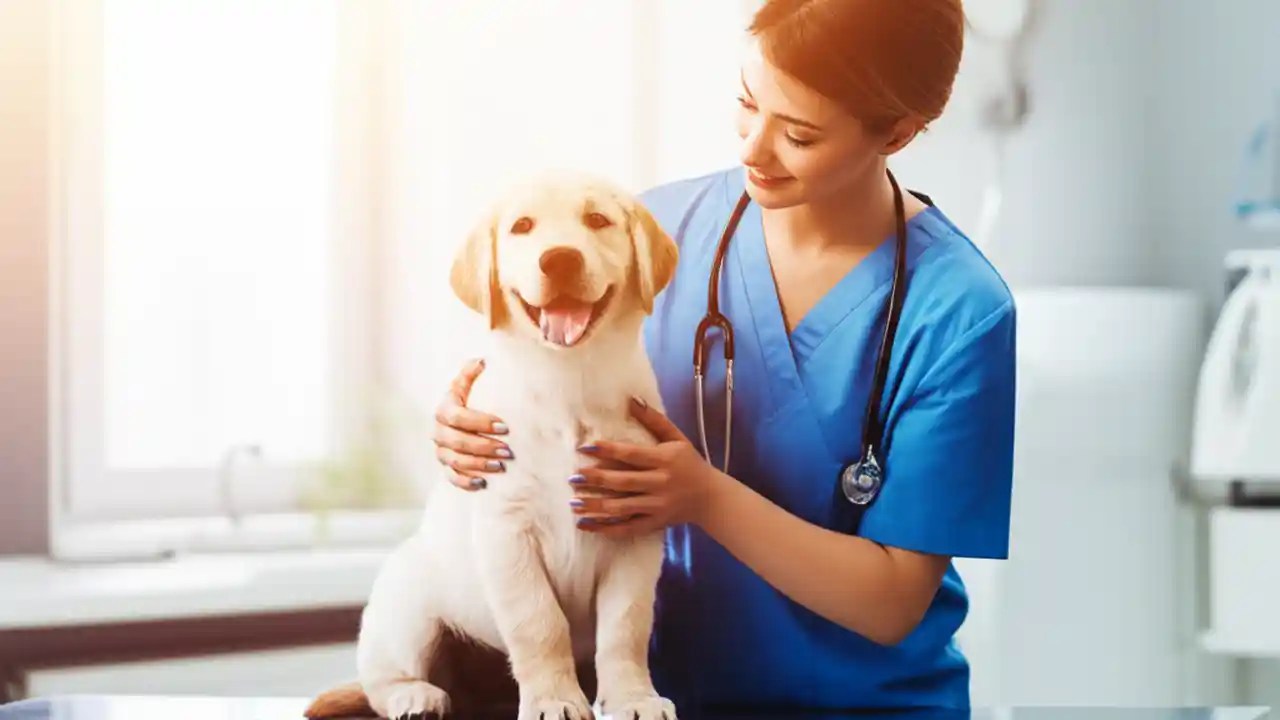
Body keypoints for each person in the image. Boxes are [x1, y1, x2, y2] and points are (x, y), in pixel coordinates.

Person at [431, 0, 1016, 711]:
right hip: (661, 696)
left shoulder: (957, 312)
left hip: (866, 705)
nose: (753, 151)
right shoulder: (648, 233)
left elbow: (893, 602)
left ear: (897, 132)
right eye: (747, 103)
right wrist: (472, 428)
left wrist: (704, 498)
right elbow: (534, 376)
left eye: (798, 134)